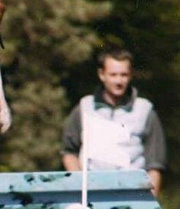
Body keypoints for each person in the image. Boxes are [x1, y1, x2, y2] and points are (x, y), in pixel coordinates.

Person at [60, 48, 166, 194]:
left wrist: (150, 204)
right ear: (101, 75)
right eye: (113, 75)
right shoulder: (84, 107)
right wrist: (81, 186)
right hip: (91, 192)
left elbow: (155, 165)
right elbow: (68, 152)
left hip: (133, 192)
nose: (119, 81)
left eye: (124, 75)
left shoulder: (145, 110)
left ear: (131, 75)